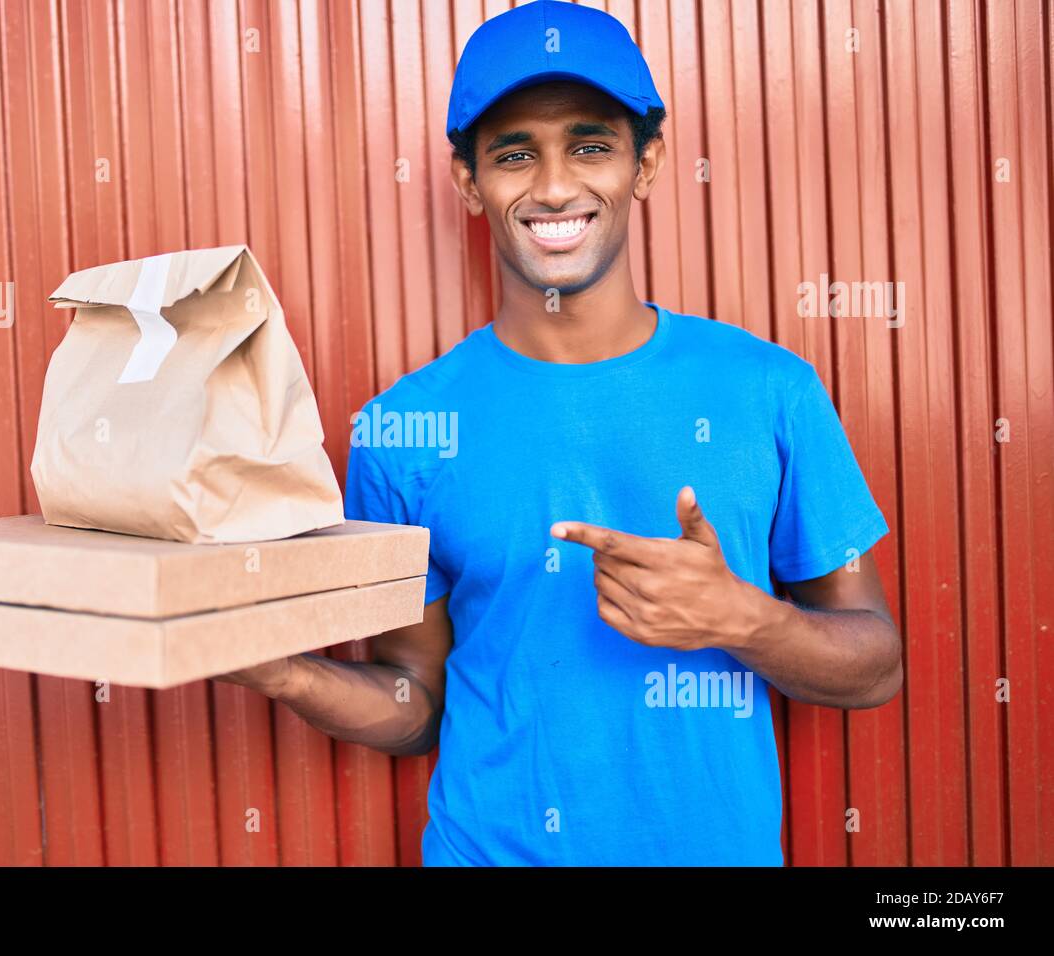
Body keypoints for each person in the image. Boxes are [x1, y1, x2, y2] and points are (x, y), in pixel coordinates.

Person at [214, 0, 901, 866]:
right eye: (512, 155)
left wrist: (745, 619)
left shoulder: (770, 391)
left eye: (589, 145)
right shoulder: (400, 432)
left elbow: (875, 665)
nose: (552, 187)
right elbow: (414, 699)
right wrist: (283, 672)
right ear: (470, 182)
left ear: (645, 163)